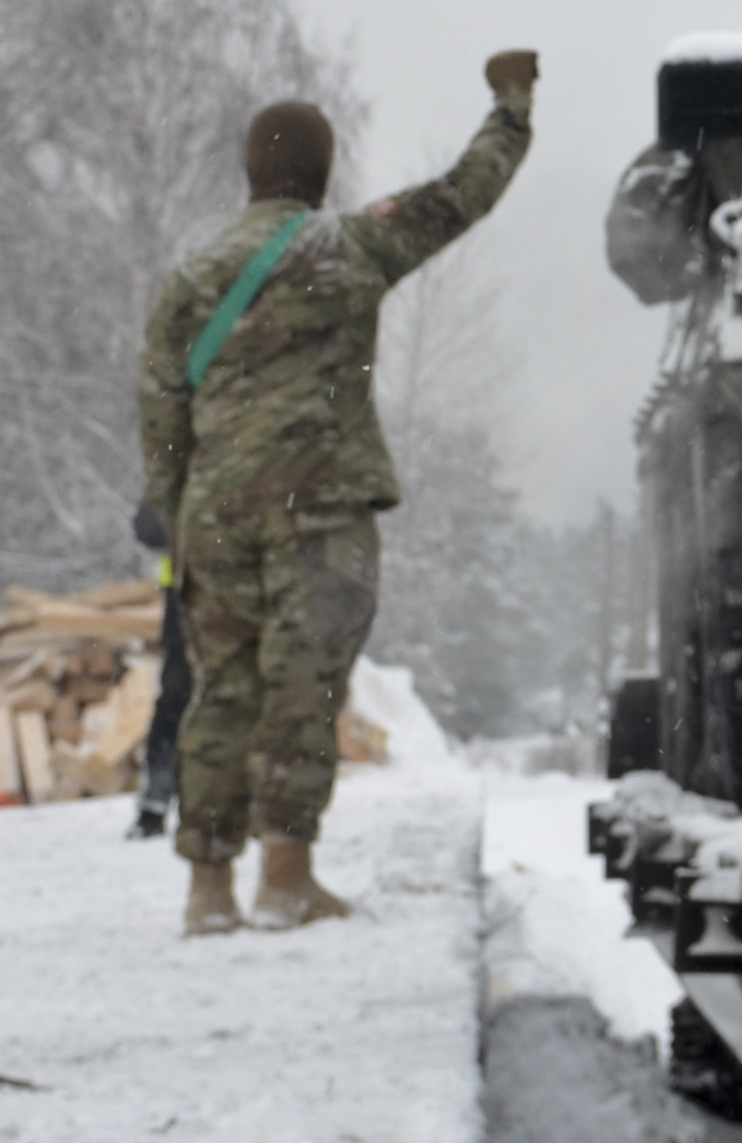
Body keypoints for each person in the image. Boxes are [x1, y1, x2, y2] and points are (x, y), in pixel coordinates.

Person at [140, 55, 533, 936]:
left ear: (251, 172)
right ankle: (286, 877)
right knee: (300, 692)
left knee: (220, 694)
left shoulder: (192, 279)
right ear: (319, 174)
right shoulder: (352, 247)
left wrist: (174, 511)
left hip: (216, 517)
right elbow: (464, 194)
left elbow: (160, 407)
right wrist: (512, 104)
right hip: (319, 514)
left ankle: (207, 890)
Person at [126, 514, 188, 844]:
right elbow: (147, 524)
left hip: (239, 597)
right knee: (176, 699)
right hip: (184, 599)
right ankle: (155, 802)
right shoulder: (179, 470)